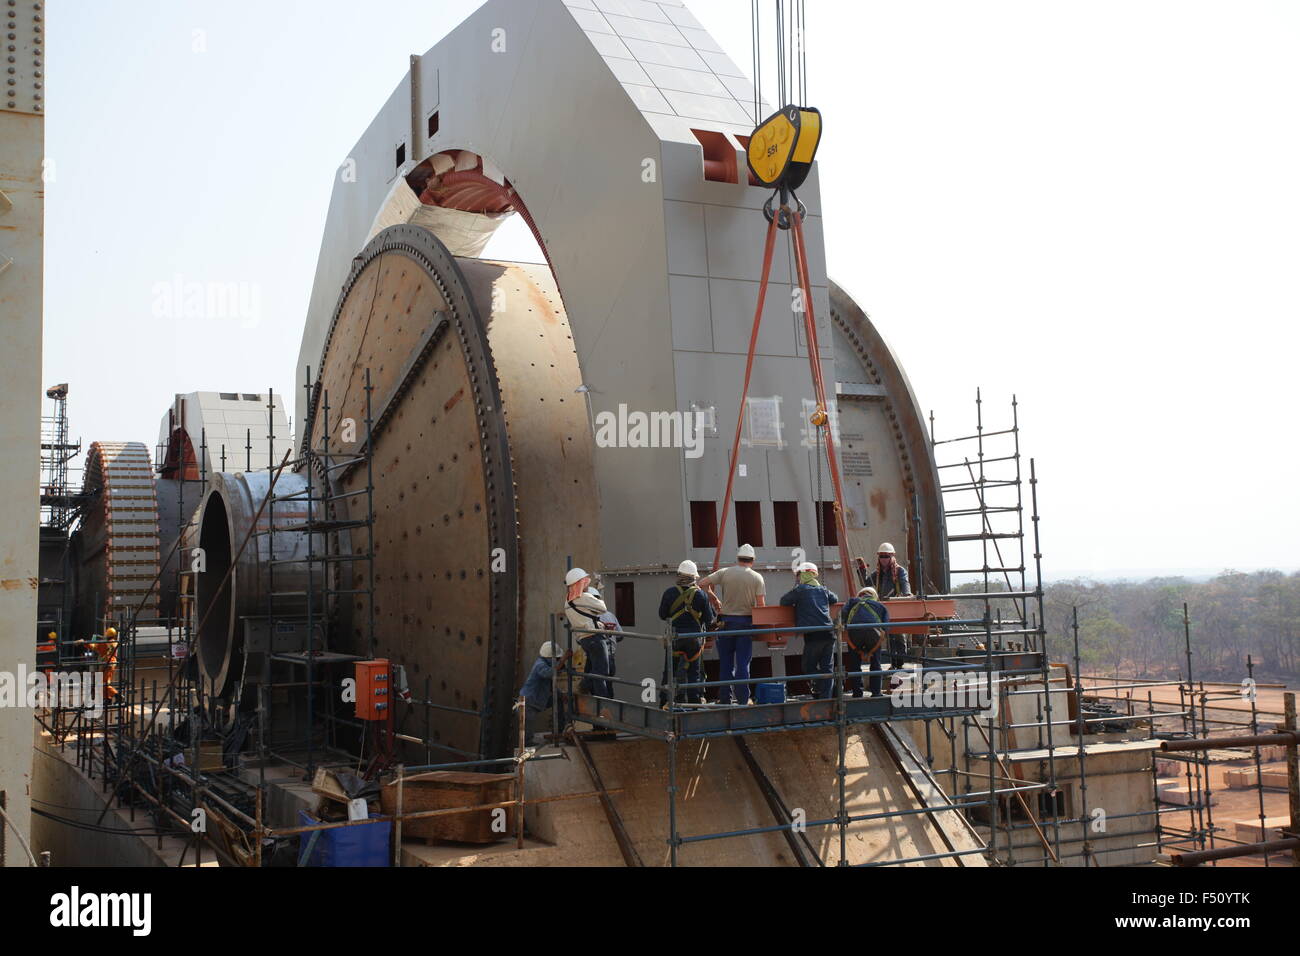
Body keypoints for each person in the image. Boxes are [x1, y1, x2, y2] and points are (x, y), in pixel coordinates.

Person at [697, 543, 766, 705]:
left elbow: (701, 583)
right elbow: (761, 606)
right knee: (743, 663)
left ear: (738, 558)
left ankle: (725, 699)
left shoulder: (725, 572)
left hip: (725, 623)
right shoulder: (757, 578)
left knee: (726, 663)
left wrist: (713, 597)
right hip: (745, 624)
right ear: (753, 560)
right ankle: (743, 699)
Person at [658, 559, 715, 705]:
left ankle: (664, 703)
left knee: (669, 673)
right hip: (694, 639)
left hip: (675, 639)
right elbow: (709, 620)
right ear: (694, 577)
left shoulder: (669, 593)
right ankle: (694, 704)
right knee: (693, 674)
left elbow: (663, 615)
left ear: (679, 575)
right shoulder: (701, 595)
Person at [780, 562, 839, 699]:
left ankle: (820, 688)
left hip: (813, 636)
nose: (798, 578)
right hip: (829, 634)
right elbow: (834, 599)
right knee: (827, 669)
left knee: (808, 667)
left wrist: (796, 589)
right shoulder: (823, 590)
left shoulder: (800, 590)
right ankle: (826, 697)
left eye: (799, 575)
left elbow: (784, 601)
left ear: (804, 574)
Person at [562, 567, 615, 698]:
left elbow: (584, 618)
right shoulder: (584, 597)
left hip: (584, 639)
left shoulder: (567, 602)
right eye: (585, 582)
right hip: (595, 638)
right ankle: (602, 700)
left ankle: (587, 688)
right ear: (580, 583)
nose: (587, 584)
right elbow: (603, 608)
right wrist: (596, 596)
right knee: (601, 671)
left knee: (594, 669)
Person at [841, 586, 889, 697]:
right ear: (874, 596)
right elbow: (885, 627)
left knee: (854, 664)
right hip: (873, 633)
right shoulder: (880, 606)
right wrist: (875, 646)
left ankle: (857, 692)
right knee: (876, 663)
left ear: (860, 595)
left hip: (854, 632)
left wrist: (844, 625)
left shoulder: (853, 601)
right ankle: (876, 692)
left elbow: (843, 612)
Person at [518, 640, 573, 735]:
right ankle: (528, 744)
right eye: (556, 658)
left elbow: (551, 685)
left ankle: (559, 729)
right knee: (527, 734)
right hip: (529, 702)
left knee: (558, 699)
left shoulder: (545, 663)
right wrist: (563, 659)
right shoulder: (540, 665)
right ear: (550, 657)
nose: (557, 660)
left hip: (538, 699)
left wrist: (561, 694)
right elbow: (549, 673)